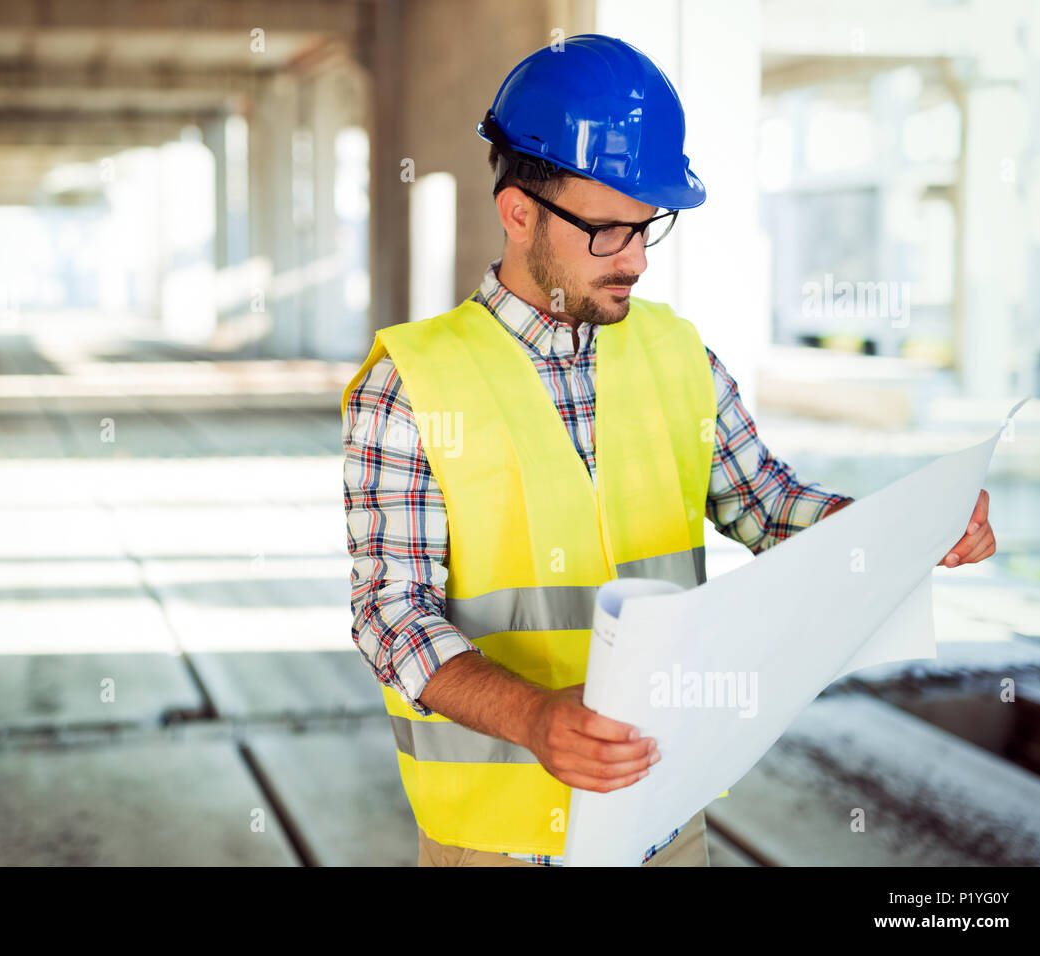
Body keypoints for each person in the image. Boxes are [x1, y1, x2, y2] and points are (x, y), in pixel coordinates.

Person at [340, 34, 996, 868]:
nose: (639, 260)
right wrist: (535, 719)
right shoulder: (412, 383)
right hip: (500, 841)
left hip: (666, 819)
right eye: (609, 231)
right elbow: (390, 612)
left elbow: (765, 505)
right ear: (519, 211)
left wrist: (912, 527)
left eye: (651, 226)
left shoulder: (678, 353)